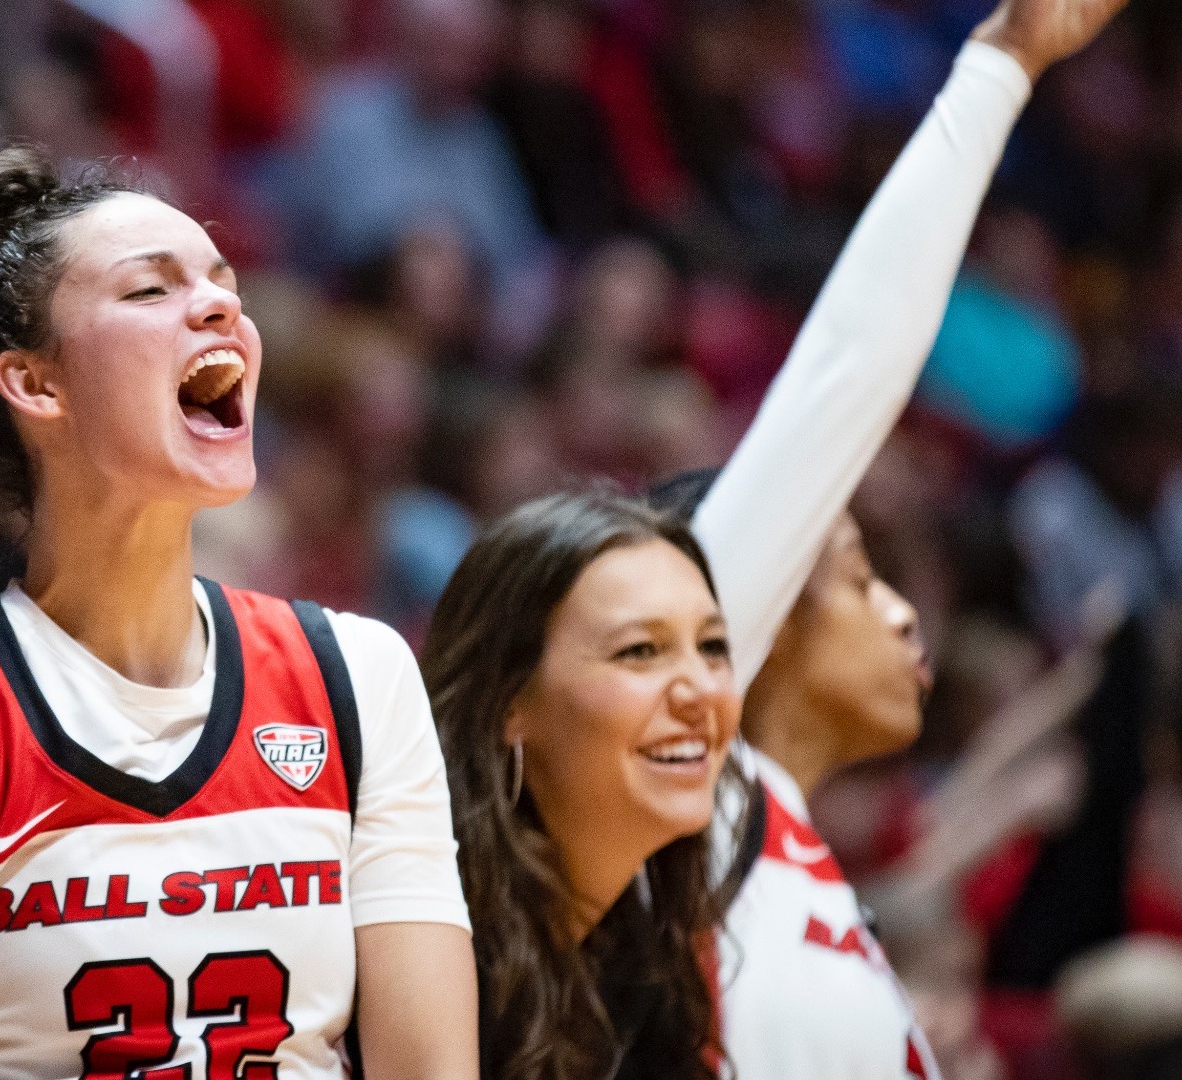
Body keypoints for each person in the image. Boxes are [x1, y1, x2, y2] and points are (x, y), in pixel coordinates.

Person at [0, 149, 478, 1080]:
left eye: (225, 286)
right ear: (37, 384)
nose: (220, 307)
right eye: (151, 289)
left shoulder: (358, 677)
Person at [634, 0, 1131, 1075]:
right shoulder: (679, 824)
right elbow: (845, 371)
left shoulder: (785, 853)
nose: (903, 614)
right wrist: (1000, 69)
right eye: (861, 579)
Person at [423, 491, 740, 1080]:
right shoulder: (421, 946)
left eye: (713, 647)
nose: (701, 690)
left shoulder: (639, 967)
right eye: (640, 651)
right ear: (507, 702)